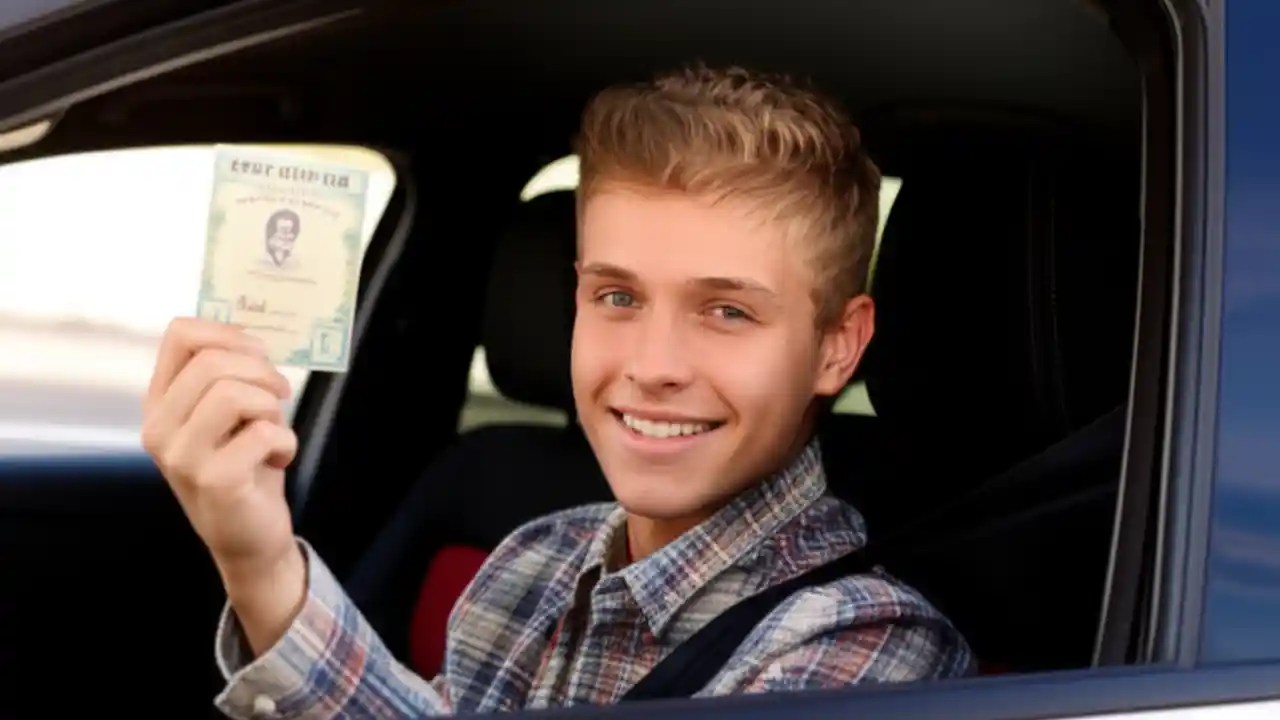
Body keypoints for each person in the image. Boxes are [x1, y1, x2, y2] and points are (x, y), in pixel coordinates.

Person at [141, 64, 974, 720]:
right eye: (617, 297)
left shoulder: (872, 649)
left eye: (726, 310)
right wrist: (256, 559)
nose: (652, 363)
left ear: (837, 347)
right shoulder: (531, 562)